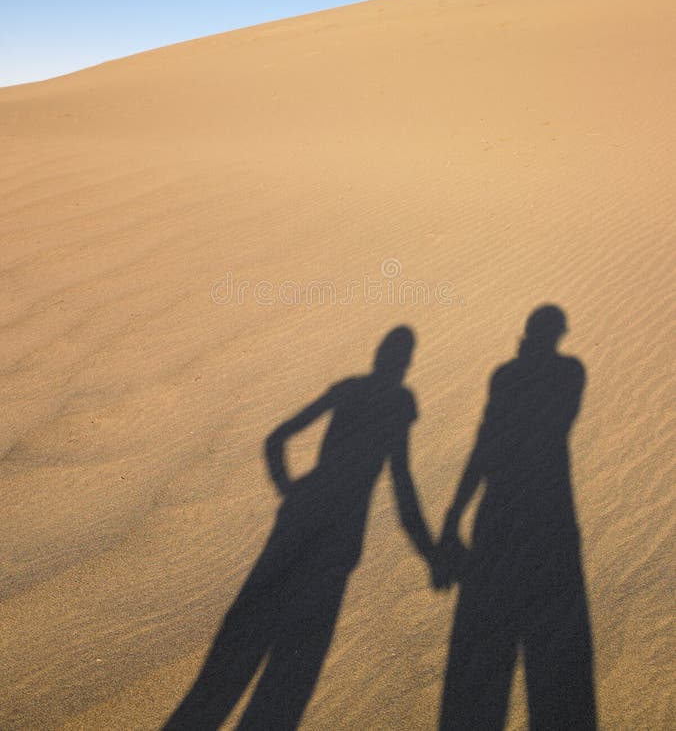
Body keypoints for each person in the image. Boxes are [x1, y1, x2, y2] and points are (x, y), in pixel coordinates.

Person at [165, 325, 434, 731]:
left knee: (237, 646)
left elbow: (277, 438)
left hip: (300, 515)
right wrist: (428, 549)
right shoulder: (399, 402)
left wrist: (289, 488)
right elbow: (400, 478)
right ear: (405, 362)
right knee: (294, 670)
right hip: (342, 534)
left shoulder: (347, 390)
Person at [435, 305, 596, 730]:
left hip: (503, 514)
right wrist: (455, 513)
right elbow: (539, 428)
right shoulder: (568, 373)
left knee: (491, 649)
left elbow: (487, 444)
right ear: (558, 334)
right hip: (549, 513)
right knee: (557, 655)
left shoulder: (509, 377)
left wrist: (456, 512)